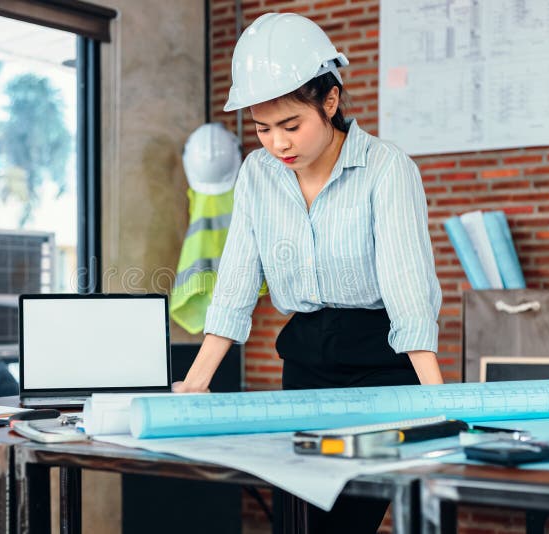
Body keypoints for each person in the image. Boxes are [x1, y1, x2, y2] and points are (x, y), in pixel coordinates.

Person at [173, 12, 443, 532]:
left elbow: (409, 294)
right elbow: (234, 282)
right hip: (304, 366)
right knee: (297, 522)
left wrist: (436, 405)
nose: (278, 143)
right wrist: (196, 383)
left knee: (345, 524)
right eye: (263, 128)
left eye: (292, 125)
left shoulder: (387, 169)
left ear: (331, 101)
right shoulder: (257, 174)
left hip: (383, 370)